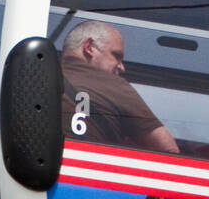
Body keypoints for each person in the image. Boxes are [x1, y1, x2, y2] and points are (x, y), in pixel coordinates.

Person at [60, 19, 179, 153]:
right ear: (89, 47)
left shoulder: (40, 78)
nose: (122, 67)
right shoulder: (112, 84)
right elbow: (169, 150)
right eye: (116, 55)